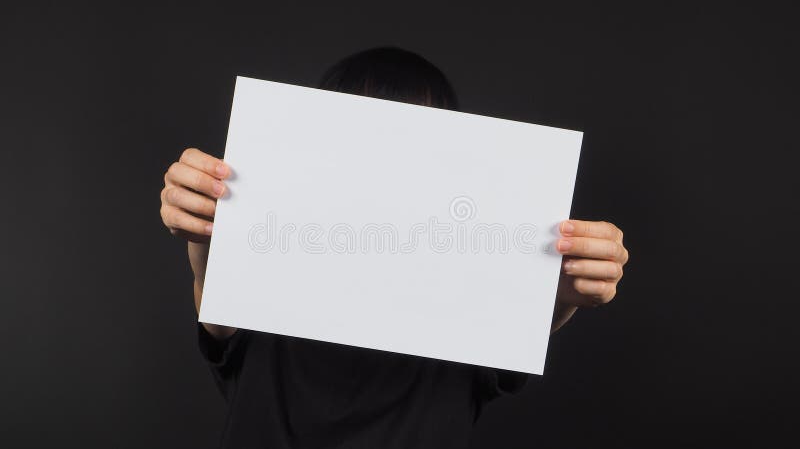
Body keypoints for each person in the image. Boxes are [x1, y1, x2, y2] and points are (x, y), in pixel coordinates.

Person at [159, 47, 629, 449]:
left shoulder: (464, 308)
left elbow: (519, 325)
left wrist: (561, 290)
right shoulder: (267, 278)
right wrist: (204, 226)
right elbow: (217, 304)